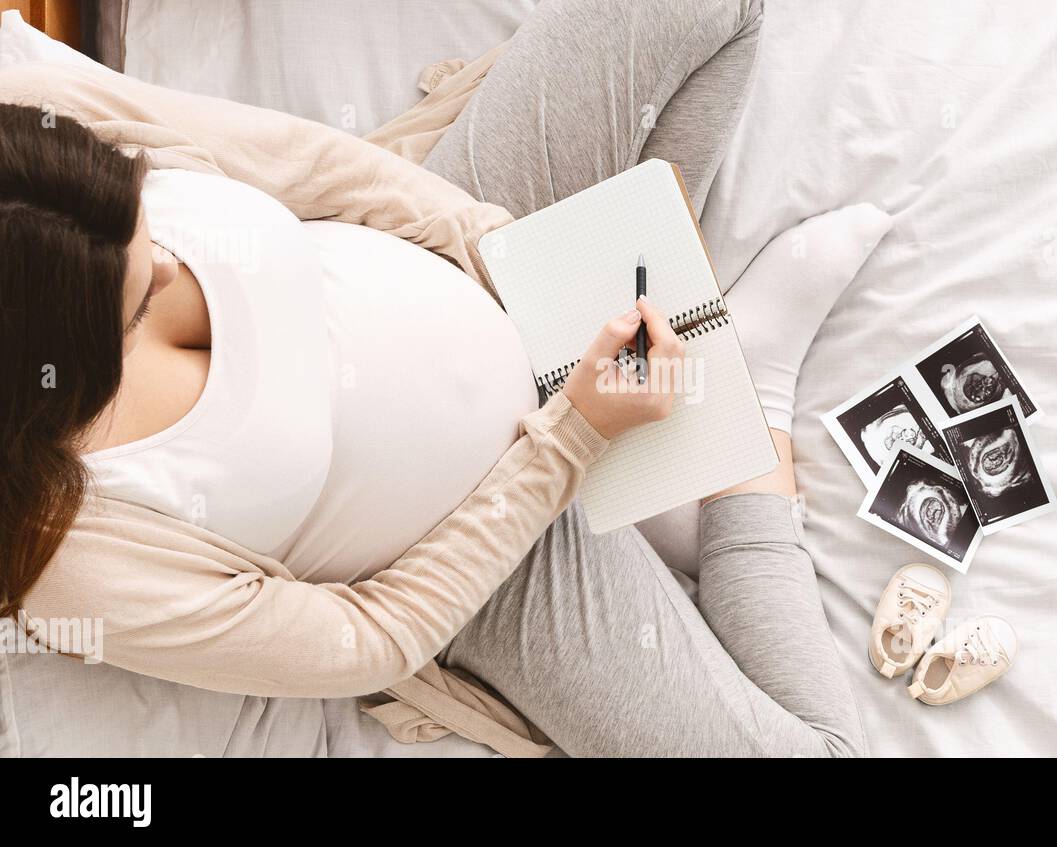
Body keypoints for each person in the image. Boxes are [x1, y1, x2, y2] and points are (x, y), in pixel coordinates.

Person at [1, 0, 889, 756]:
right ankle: (753, 398)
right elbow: (366, 641)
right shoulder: (68, 554)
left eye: (147, 230)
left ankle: (672, 324)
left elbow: (314, 167)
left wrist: (533, 267)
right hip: (496, 557)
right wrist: (573, 439)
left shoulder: (34, 150)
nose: (162, 270)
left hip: (472, 246)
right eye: (129, 304)